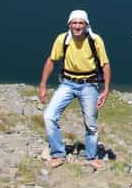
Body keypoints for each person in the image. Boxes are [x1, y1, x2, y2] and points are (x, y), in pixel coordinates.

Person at [38, 10, 111, 169]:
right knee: (49, 116)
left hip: (89, 84)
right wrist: (43, 85)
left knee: (90, 123)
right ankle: (58, 153)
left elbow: (105, 64)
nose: (77, 26)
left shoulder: (95, 40)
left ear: (86, 25)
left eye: (81, 23)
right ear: (69, 24)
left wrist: (105, 90)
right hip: (67, 83)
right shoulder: (62, 39)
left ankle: (92, 156)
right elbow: (51, 60)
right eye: (74, 23)